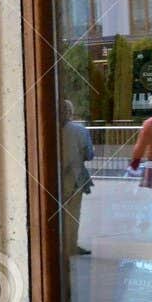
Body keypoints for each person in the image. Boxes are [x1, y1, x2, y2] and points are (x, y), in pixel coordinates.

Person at [60, 100, 94, 256]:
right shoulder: (80, 131)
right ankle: (70, 246)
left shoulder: (46, 129)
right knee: (73, 215)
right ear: (70, 112)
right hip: (75, 179)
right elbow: (89, 155)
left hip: (53, 179)